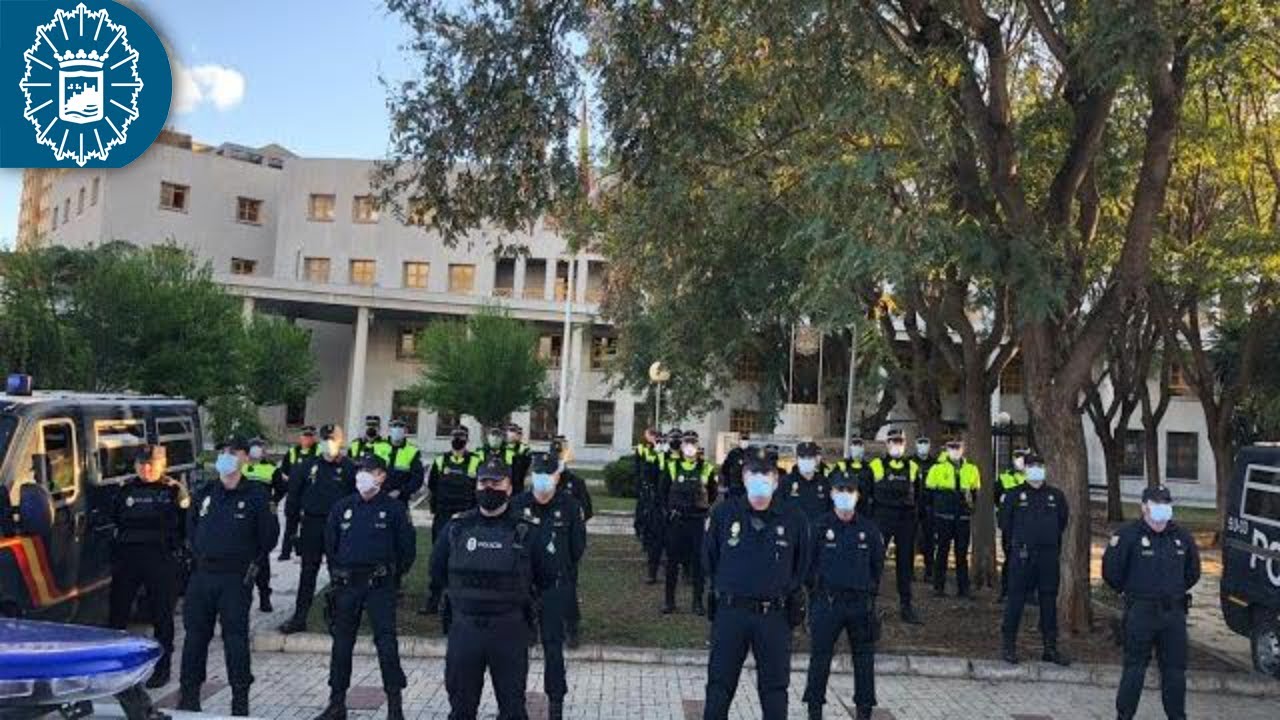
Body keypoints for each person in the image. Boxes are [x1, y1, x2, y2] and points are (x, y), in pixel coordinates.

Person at [429, 459, 555, 720]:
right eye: (483, 482)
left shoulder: (526, 530)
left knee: (512, 708)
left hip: (509, 630)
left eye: (496, 482)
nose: (489, 487)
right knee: (461, 708)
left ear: (509, 487)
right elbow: (437, 571)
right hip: (465, 628)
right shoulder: (456, 528)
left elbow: (546, 577)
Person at [702, 452, 809, 720]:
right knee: (719, 687)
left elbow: (803, 563)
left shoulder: (793, 517)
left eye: (766, 480)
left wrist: (783, 588)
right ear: (745, 480)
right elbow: (709, 557)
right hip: (731, 613)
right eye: (754, 479)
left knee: (774, 690)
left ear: (775, 482)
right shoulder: (725, 513)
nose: (760, 486)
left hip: (773, 616)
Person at [178, 439, 278, 716]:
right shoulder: (206, 492)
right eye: (222, 452)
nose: (226, 457)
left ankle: (240, 699)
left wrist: (251, 565)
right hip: (202, 576)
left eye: (233, 453)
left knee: (235, 639)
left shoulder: (257, 495)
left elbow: (268, 537)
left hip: (235, 578)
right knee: (195, 637)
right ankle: (189, 696)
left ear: (245, 459)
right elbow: (191, 528)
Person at [313, 456, 416, 720]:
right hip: (347, 587)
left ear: (381, 476)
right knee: (341, 645)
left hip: (379, 586)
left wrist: (391, 576)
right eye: (360, 471)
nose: (362, 476)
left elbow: (407, 550)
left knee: (386, 645)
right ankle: (337, 703)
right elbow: (330, 543)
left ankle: (395, 706)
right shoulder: (343, 507)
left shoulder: (394, 509)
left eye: (369, 471)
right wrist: (339, 573)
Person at [1103, 485, 1201, 720]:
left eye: (1166, 503)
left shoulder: (1182, 537)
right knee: (1135, 668)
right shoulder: (1128, 535)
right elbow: (1112, 572)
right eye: (1157, 503)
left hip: (1174, 613)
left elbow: (1192, 572)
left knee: (1175, 670)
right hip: (1141, 611)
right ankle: (1124, 715)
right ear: (1144, 507)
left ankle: (1177, 716)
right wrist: (1134, 592)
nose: (1162, 508)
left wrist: (1172, 591)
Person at [802, 470, 884, 720]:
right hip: (827, 602)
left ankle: (864, 709)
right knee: (820, 658)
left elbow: (876, 567)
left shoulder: (869, 530)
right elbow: (807, 565)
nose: (845, 496)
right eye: (840, 491)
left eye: (850, 491)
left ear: (858, 496)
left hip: (860, 604)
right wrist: (816, 592)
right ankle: (814, 709)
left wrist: (867, 591)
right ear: (832, 494)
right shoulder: (819, 526)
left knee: (864, 660)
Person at [510, 453, 587, 718]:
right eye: (538, 473)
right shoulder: (517, 504)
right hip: (521, 590)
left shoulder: (569, 506)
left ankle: (555, 705)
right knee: (517, 649)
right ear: (532, 476)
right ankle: (514, 705)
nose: (542, 479)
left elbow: (577, 548)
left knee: (553, 648)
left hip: (553, 588)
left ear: (557, 476)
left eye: (548, 474)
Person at [108, 444, 190, 689]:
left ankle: (161, 670)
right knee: (118, 615)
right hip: (128, 560)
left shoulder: (174, 491)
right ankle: (115, 667)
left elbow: (187, 527)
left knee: (161, 618)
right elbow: (114, 522)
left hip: (161, 560)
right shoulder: (125, 489)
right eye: (142, 463)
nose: (146, 468)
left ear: (162, 464)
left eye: (151, 464)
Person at [280, 425, 357, 634]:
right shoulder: (306, 466)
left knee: (339, 575)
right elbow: (293, 500)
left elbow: (357, 502)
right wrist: (291, 533)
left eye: (333, 438)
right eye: (325, 438)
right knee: (308, 573)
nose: (329, 442)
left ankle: (339, 620)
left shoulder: (350, 468)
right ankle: (299, 618)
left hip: (339, 528)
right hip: (311, 525)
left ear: (341, 441)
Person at [998, 453, 1070, 666]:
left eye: (1040, 465)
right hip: (1022, 555)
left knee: (1048, 601)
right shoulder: (1013, 495)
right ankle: (1009, 646)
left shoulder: (1056, 496)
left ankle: (1050, 648)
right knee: (1016, 600)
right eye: (1032, 465)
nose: (1036, 469)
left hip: (1048, 555)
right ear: (1025, 469)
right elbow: (1005, 524)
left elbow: (1062, 522)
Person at [420, 426, 481, 616]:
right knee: (439, 557)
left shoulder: (476, 461)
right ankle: (434, 600)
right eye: (455, 437)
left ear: (467, 439)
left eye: (461, 437)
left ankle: (463, 601)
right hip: (443, 516)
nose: (458, 440)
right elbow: (432, 486)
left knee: (467, 558)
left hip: (467, 517)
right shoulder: (441, 460)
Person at [868, 429, 925, 624]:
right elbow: (868, 493)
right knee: (875, 561)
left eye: (900, 441)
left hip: (905, 518)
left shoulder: (912, 466)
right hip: (882, 517)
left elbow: (918, 494)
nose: (897, 444)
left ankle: (906, 607)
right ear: (887, 443)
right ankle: (869, 605)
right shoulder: (876, 465)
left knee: (905, 564)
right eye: (893, 441)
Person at [659, 430, 717, 615]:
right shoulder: (671, 466)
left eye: (693, 443)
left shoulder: (706, 467)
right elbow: (663, 492)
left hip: (697, 521)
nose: (690, 447)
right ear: (682, 447)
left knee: (699, 563)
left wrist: (702, 508)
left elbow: (713, 493)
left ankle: (697, 603)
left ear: (697, 447)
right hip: (677, 520)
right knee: (672, 562)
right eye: (687, 443)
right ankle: (669, 602)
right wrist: (668, 512)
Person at [925, 437, 980, 598]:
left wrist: (970, 507)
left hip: (962, 517)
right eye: (952, 446)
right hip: (943, 516)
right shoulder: (937, 468)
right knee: (942, 551)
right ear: (947, 448)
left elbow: (975, 494)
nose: (955, 449)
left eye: (958, 446)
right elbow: (929, 494)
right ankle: (938, 587)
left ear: (964, 448)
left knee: (961, 554)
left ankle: (964, 589)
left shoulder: (972, 469)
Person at [241, 437, 280, 612]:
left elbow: (282, 487)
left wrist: (273, 501)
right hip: (243, 517)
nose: (257, 451)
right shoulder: (241, 466)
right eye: (254, 447)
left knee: (261, 559)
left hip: (263, 518)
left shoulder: (271, 468)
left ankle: (265, 596)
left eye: (260, 448)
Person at [278, 426, 319, 561]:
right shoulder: (292, 452)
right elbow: (283, 472)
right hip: (293, 494)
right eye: (304, 435)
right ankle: (285, 553)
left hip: (311, 494)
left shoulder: (319, 451)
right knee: (290, 525)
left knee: (308, 526)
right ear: (300, 437)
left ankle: (303, 552)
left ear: (314, 437)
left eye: (310, 436)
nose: (307, 438)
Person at [996, 449, 1029, 602]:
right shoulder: (1004, 478)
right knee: (1010, 558)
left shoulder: (1032, 477)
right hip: (1010, 526)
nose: (1019, 460)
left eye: (1022, 457)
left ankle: (1028, 593)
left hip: (1028, 525)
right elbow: (997, 499)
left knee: (1029, 559)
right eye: (1017, 457)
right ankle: (1006, 590)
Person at [633, 428, 663, 582]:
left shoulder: (664, 450)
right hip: (646, 492)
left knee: (658, 532)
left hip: (660, 497)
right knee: (641, 520)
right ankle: (645, 541)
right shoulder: (643, 448)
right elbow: (641, 468)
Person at [776, 441, 831, 521]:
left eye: (810, 457)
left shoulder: (825, 483)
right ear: (797, 459)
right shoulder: (785, 482)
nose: (806, 460)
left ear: (816, 459)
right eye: (803, 457)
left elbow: (829, 511)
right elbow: (778, 510)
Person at [551, 435, 594, 522]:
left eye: (562, 456)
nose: (559, 459)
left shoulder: (576, 483)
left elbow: (586, 511)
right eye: (557, 455)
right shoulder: (543, 482)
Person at [384, 418, 425, 507]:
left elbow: (417, 478)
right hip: (378, 497)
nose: (397, 429)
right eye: (394, 426)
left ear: (406, 431)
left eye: (401, 426)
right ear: (389, 429)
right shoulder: (378, 448)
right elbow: (369, 472)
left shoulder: (413, 451)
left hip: (401, 499)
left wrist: (401, 491)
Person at [913, 436, 937, 581]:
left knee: (930, 540)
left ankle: (929, 571)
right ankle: (909, 572)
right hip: (913, 505)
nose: (923, 446)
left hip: (929, 505)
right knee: (910, 539)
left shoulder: (934, 464)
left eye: (925, 443)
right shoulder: (910, 462)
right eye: (920, 443)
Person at [832, 438, 874, 516]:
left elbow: (872, 488)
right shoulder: (842, 465)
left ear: (863, 448)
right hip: (844, 507)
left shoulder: (868, 468)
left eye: (860, 446)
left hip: (863, 508)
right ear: (851, 448)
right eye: (855, 445)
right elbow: (833, 484)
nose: (857, 448)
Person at [719, 433, 751, 499]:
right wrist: (726, 483)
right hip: (734, 484)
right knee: (733, 503)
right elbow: (725, 468)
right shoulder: (733, 453)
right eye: (742, 440)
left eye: (746, 440)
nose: (744, 442)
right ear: (739, 441)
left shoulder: (752, 453)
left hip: (747, 485)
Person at [505, 423, 533, 493]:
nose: (511, 434)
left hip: (518, 482)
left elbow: (529, 466)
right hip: (504, 481)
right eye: (510, 430)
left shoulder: (524, 448)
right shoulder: (502, 447)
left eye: (514, 431)